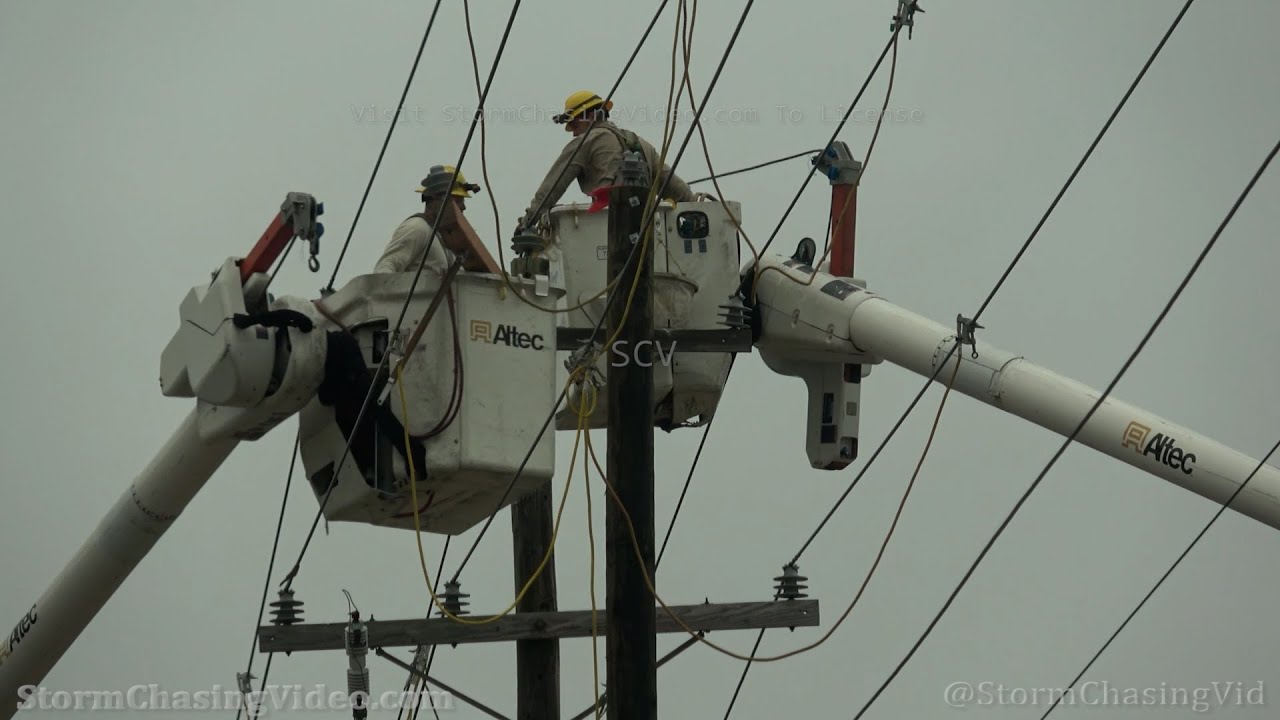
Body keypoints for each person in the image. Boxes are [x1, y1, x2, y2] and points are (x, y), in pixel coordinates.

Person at [516, 90, 698, 231]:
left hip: (604, 229)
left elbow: (552, 187)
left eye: (574, 124)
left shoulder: (585, 142)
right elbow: (678, 190)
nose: (572, 132)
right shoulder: (640, 143)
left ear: (592, 116)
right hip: (649, 231)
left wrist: (528, 222)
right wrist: (697, 208)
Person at [375, 165, 480, 276]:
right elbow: (386, 267)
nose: (463, 207)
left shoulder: (448, 241)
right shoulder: (418, 228)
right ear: (438, 199)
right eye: (458, 200)